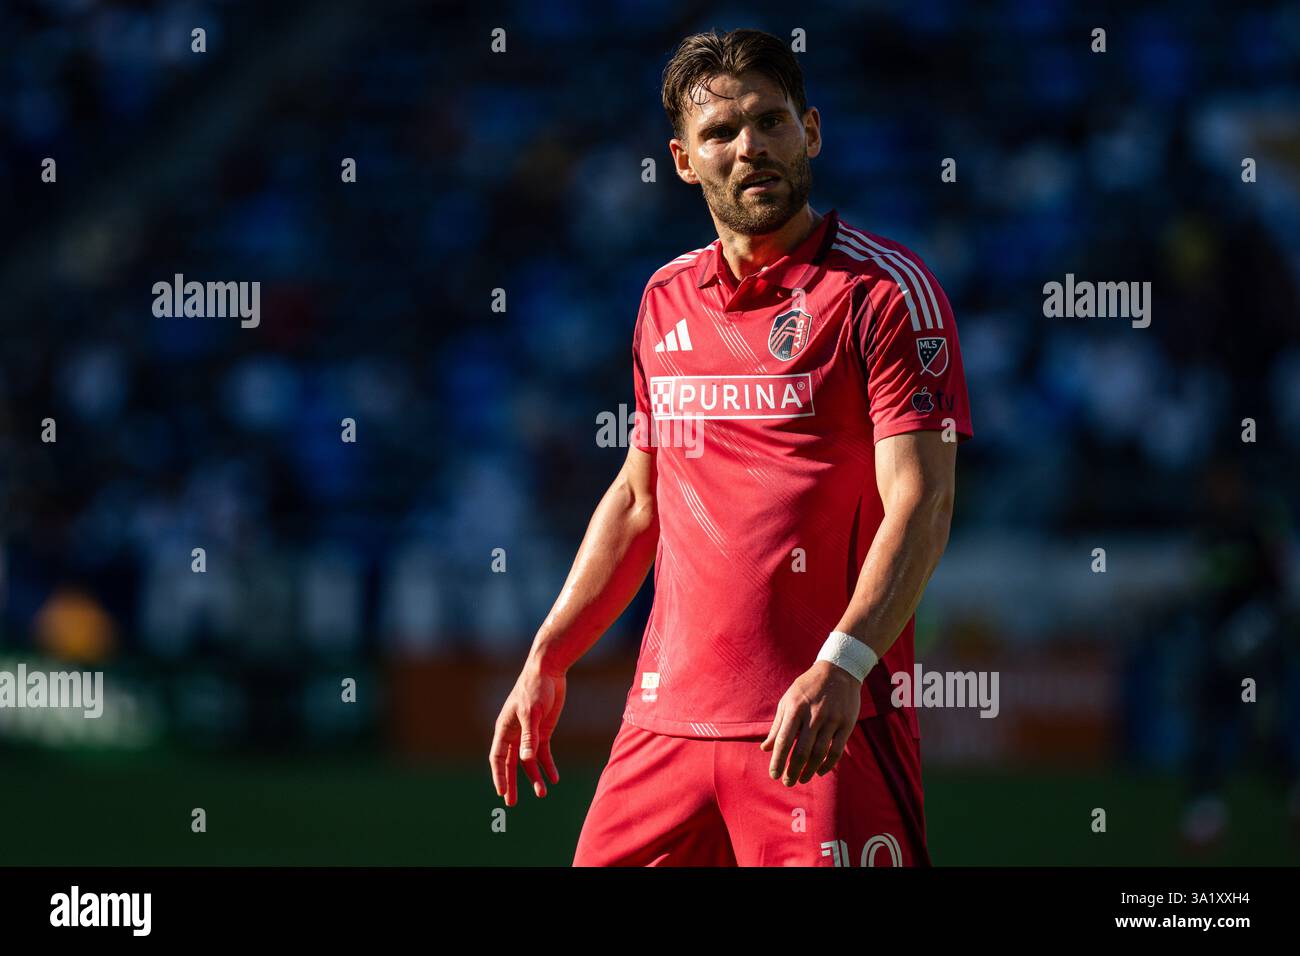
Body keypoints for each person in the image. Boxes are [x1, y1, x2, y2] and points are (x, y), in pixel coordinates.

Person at [489, 28, 973, 866]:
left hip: (820, 720)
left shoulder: (884, 294)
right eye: (720, 132)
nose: (750, 146)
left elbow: (922, 501)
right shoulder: (664, 297)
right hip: (662, 730)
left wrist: (844, 666)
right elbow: (638, 500)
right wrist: (549, 655)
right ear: (683, 161)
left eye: (770, 121)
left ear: (810, 132)